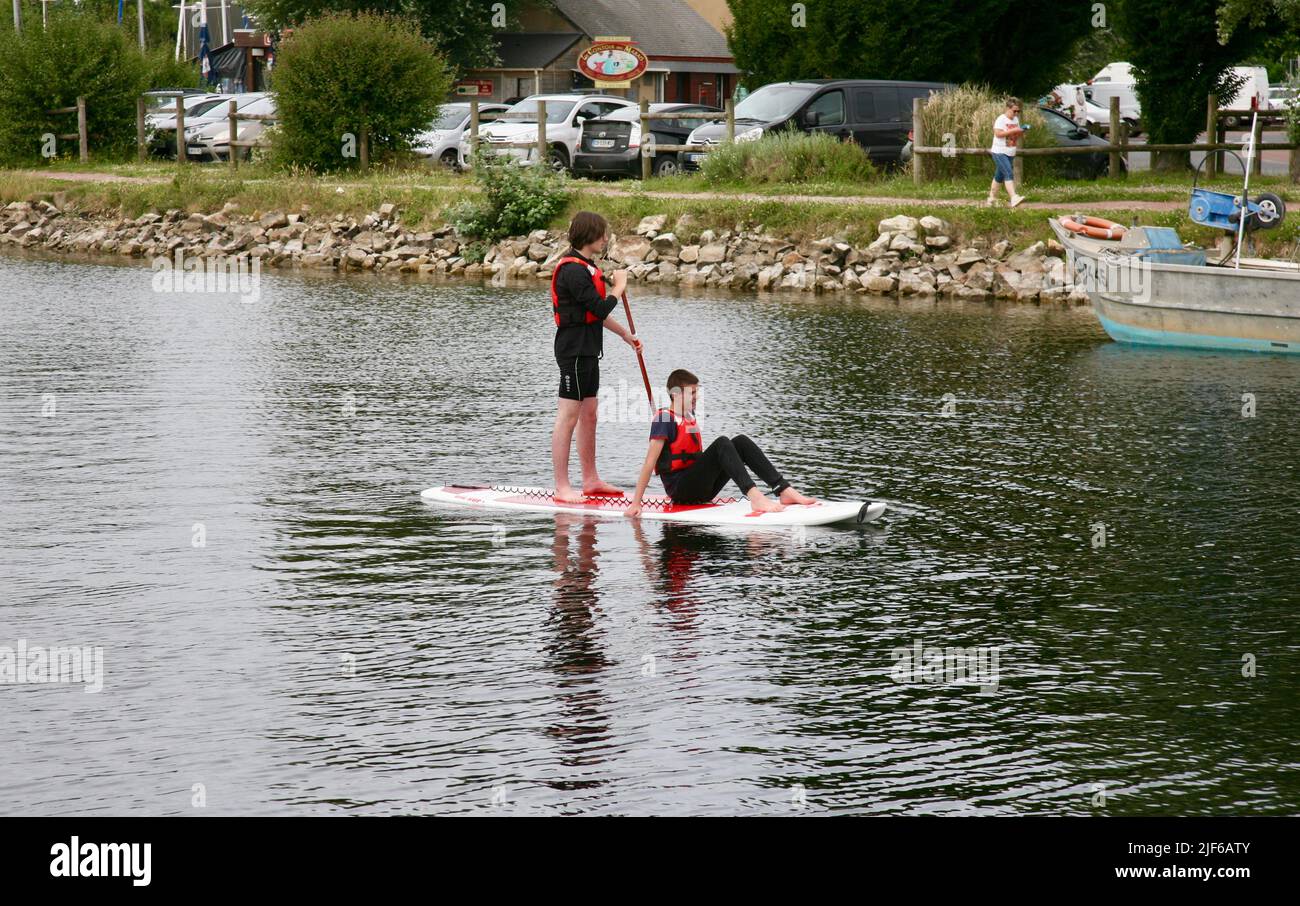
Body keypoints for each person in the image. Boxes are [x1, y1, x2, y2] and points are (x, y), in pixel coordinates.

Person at [623, 369, 816, 517]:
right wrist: (636, 503)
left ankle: (783, 489)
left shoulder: (688, 417)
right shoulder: (664, 419)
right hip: (681, 490)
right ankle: (755, 497)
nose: (697, 397)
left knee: (739, 442)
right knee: (723, 442)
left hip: (700, 488)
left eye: (696, 393)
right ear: (676, 394)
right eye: (692, 393)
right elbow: (649, 463)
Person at [550, 211, 643, 503]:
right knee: (568, 416)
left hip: (589, 350)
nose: (605, 239)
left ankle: (590, 480)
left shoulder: (587, 267)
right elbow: (601, 307)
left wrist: (626, 335)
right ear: (589, 235)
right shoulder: (572, 270)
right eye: (602, 234)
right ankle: (562, 486)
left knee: (589, 414)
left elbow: (595, 314)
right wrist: (619, 287)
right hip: (573, 351)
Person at [987, 97, 1028, 208]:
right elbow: (998, 134)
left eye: (1018, 111)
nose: (1016, 113)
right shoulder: (1001, 119)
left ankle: (991, 198)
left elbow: (1015, 135)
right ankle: (1013, 197)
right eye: (1014, 111)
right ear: (1008, 108)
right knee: (1008, 173)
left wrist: (1021, 131)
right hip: (999, 151)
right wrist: (1014, 130)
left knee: (999, 176)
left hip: (1010, 151)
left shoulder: (1015, 120)